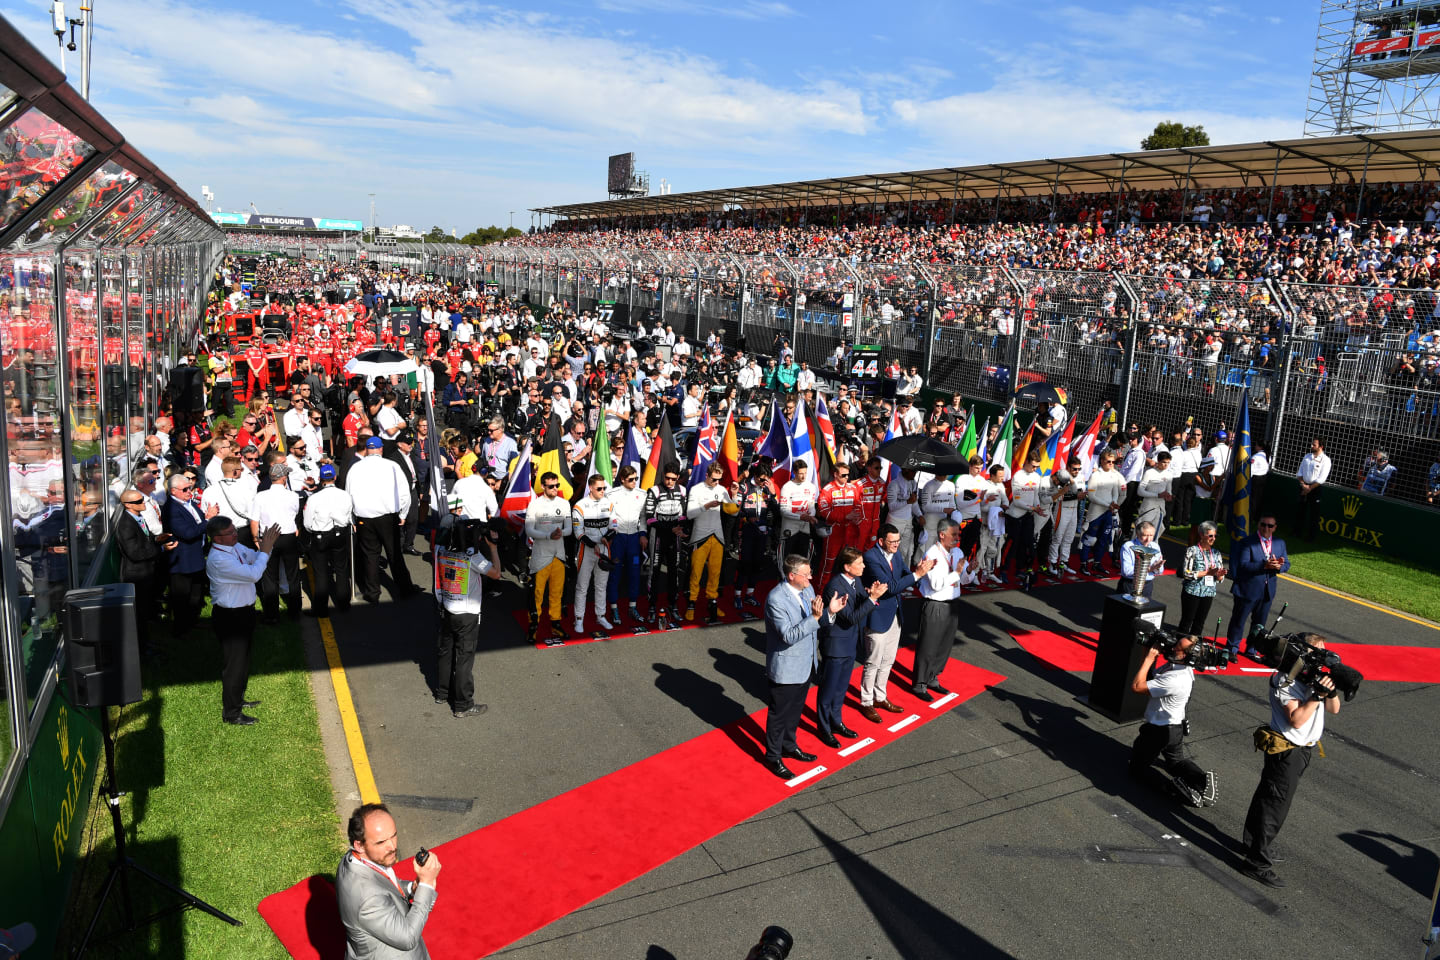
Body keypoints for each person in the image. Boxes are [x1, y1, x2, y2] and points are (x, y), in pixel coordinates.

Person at [1240, 634, 1341, 888]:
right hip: (1287, 750)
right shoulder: (1285, 680)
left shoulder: (1311, 678)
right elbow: (1296, 719)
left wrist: (1328, 689)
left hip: (1302, 750)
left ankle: (1253, 844)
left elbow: (1334, 709)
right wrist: (1316, 695)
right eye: (1315, 654)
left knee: (1268, 797)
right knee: (1274, 806)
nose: (1319, 660)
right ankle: (1256, 863)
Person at [762, 554, 846, 780]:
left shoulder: (807, 590)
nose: (811, 576)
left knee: (795, 711)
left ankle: (789, 745)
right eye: (806, 573)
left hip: (806, 664)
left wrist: (830, 612)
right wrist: (817, 617)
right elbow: (788, 635)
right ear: (792, 576)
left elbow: (817, 623)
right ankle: (773, 756)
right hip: (786, 667)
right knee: (779, 715)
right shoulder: (776, 600)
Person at [336, 803, 441, 959]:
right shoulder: (367, 898)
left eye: (394, 835)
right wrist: (426, 883)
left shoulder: (356, 860)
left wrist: (412, 888)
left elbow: (385, 886)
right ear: (359, 845)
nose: (392, 846)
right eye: (381, 842)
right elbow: (408, 938)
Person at [205, 516, 280, 726]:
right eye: (229, 533)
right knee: (234, 665)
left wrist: (267, 548)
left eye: (234, 530)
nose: (235, 534)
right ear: (217, 539)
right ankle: (231, 713)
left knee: (243, 661)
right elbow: (255, 573)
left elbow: (255, 557)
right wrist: (265, 550)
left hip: (244, 613)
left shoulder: (234, 546)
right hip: (230, 617)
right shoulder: (219, 560)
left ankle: (237, 699)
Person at [1128, 637, 1218, 807]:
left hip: (1158, 731)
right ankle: (1202, 781)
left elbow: (1138, 686)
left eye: (1178, 647)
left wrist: (1148, 659)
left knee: (1137, 769)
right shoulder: (1180, 668)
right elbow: (1150, 677)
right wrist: (1146, 653)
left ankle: (1176, 789)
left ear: (1187, 656)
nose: (1172, 647)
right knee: (1176, 762)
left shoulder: (1174, 679)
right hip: (1175, 727)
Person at [858, 524, 935, 723]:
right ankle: (866, 701)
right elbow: (890, 588)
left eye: (898, 541)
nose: (896, 545)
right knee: (873, 661)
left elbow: (903, 573)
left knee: (888, 660)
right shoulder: (871, 558)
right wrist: (917, 575)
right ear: (881, 541)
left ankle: (880, 697)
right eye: (892, 542)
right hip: (877, 616)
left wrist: (924, 580)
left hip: (894, 614)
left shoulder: (896, 554)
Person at [815, 545, 888, 745]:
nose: (864, 566)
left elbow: (861, 599)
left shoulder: (854, 580)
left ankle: (836, 721)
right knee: (828, 689)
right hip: (835, 646)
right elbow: (851, 617)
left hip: (848, 644)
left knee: (841, 688)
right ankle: (824, 727)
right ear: (847, 567)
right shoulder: (835, 587)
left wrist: (871, 593)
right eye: (859, 563)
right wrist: (872, 599)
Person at [432, 518, 502, 718]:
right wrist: (493, 548)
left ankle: (442, 693)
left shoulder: (440, 551)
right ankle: (463, 704)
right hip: (467, 614)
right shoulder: (473, 556)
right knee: (464, 657)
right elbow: (496, 574)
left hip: (446, 608)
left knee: (446, 652)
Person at [348, 436, 417, 603]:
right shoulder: (392, 466)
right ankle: (405, 589)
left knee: (370, 555)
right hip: (388, 517)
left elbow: (348, 495)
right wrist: (403, 514)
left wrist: (352, 519)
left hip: (364, 518)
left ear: (367, 449)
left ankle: (372, 593)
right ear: (380, 449)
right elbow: (404, 493)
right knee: (394, 554)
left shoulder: (355, 468)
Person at [913, 518, 975, 700]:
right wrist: (956, 572)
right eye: (954, 534)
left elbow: (963, 581)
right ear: (942, 535)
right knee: (928, 645)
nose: (957, 538)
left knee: (945, 645)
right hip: (935, 605)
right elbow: (937, 584)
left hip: (952, 604)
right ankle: (919, 684)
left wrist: (969, 571)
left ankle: (933, 677)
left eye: (958, 534)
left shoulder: (957, 552)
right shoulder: (932, 555)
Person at [161, 472, 217, 642]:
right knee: (181, 597)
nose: (189, 492)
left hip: (196, 556)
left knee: (195, 594)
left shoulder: (188, 503)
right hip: (182, 560)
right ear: (173, 491)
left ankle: (192, 622)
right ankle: (180, 629)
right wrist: (208, 520)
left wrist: (205, 519)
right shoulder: (171, 509)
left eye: (190, 488)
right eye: (185, 489)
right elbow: (188, 532)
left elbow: (197, 523)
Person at [1226, 514, 1289, 661]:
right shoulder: (1247, 542)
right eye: (1263, 525)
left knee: (1259, 624)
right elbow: (1243, 565)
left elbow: (1287, 564)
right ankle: (1232, 648)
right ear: (1258, 525)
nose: (1266, 528)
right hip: (1247, 588)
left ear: (1275, 528)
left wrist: (1279, 566)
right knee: (1239, 621)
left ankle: (1251, 648)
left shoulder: (1280, 543)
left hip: (1268, 590)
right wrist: (1264, 565)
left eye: (1270, 526)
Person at [686, 461, 738, 623]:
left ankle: (712, 602)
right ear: (706, 475)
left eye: (719, 480)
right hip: (700, 536)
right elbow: (689, 514)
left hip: (717, 536)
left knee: (715, 573)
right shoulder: (696, 489)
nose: (717, 483)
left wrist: (734, 496)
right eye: (714, 479)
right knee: (696, 572)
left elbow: (733, 513)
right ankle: (691, 603)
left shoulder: (722, 490)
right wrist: (706, 506)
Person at [115, 487, 164, 656]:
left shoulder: (138, 517)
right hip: (137, 575)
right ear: (127, 505)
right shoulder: (126, 525)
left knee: (145, 611)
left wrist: (159, 541)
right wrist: (159, 548)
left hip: (146, 572)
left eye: (141, 500)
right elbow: (135, 553)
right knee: (139, 614)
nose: (143, 503)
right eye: (138, 502)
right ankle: (141, 649)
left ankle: (146, 643)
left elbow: (147, 538)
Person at [526, 470, 573, 644]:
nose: (555, 489)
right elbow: (529, 530)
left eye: (557, 485)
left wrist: (561, 533)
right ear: (543, 487)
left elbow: (569, 529)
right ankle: (533, 625)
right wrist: (547, 536)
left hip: (558, 555)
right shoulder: (535, 504)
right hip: (540, 556)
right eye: (551, 486)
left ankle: (556, 623)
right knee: (537, 594)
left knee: (556, 593)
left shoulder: (564, 503)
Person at [253, 461, 303, 621]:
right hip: (288, 537)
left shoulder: (260, 496)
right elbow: (295, 514)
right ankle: (295, 612)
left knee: (269, 577)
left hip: (268, 537)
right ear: (282, 478)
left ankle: (271, 615)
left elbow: (254, 521)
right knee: (293, 575)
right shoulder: (293, 495)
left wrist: (256, 538)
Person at [304, 463, 354, 617]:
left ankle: (321, 609)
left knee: (321, 573)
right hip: (340, 534)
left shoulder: (314, 498)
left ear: (320, 479)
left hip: (320, 536)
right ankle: (344, 603)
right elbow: (349, 515)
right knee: (341, 569)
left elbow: (307, 523)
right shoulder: (345, 495)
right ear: (335, 477)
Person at [644, 463, 688, 630]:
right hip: (658, 536)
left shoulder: (683, 491)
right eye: (667, 478)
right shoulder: (654, 491)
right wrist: (671, 528)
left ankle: (673, 605)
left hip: (674, 536)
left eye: (673, 479)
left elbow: (683, 515)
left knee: (674, 572)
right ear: (663, 476)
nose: (669, 482)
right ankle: (652, 607)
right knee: (654, 572)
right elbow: (649, 518)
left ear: (677, 478)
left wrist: (681, 529)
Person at [573, 473, 618, 633]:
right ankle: (579, 619)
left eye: (604, 488)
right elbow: (578, 532)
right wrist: (593, 545)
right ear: (590, 488)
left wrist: (606, 538)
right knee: (582, 586)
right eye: (599, 488)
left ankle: (601, 616)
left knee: (601, 585)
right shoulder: (580, 506)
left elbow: (614, 526)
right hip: (587, 551)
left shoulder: (609, 503)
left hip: (604, 549)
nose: (602, 491)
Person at [605, 465, 649, 627]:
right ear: (622, 480)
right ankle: (614, 608)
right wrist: (612, 532)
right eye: (631, 480)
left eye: (636, 479)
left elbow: (643, 517)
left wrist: (643, 534)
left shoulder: (642, 494)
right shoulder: (612, 494)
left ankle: (632, 606)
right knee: (615, 574)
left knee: (635, 573)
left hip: (634, 541)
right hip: (618, 539)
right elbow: (609, 516)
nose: (634, 482)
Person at [1177, 521, 1226, 636]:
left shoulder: (1216, 553)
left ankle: (1193, 647)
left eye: (1215, 536)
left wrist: (1220, 575)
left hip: (1208, 592)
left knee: (1200, 623)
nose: (1213, 538)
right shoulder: (1192, 551)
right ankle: (1179, 645)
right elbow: (1186, 573)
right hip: (1192, 591)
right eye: (1210, 536)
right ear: (1201, 535)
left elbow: (1219, 579)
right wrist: (1206, 573)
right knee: (1187, 621)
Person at [1117, 521, 1163, 598]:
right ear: (1137, 534)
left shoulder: (1155, 546)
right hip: (1129, 585)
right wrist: (1150, 569)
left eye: (1151, 535)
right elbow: (1126, 571)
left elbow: (1160, 571)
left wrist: (1157, 568)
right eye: (1145, 535)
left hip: (1147, 585)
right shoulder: (1128, 546)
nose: (1148, 539)